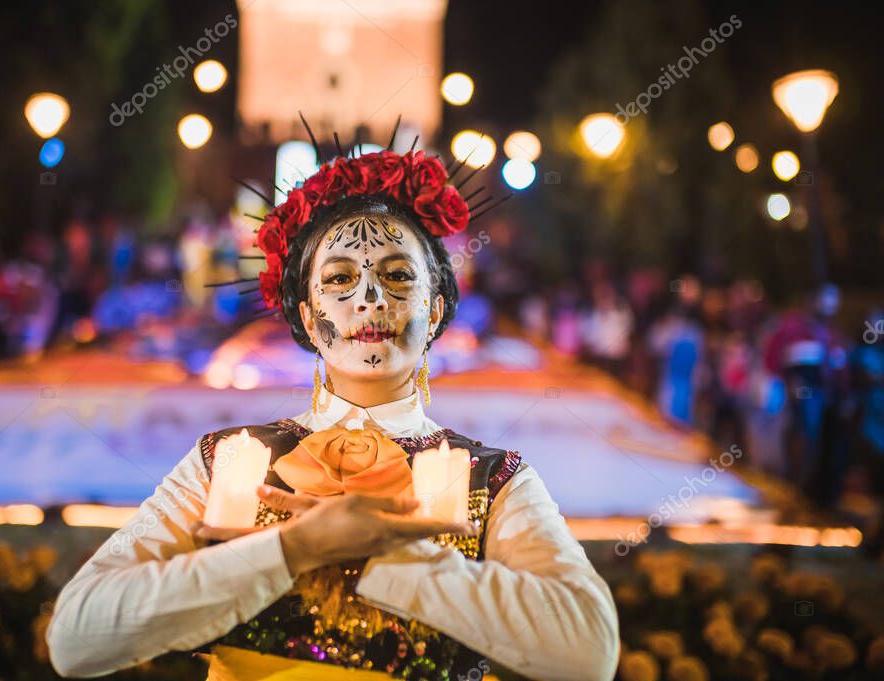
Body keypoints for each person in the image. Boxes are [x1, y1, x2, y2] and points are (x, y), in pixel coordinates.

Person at [46, 143, 619, 681]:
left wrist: (387, 555)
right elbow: (76, 638)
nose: (369, 298)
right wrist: (293, 549)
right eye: (341, 278)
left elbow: (588, 650)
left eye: (397, 276)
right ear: (305, 313)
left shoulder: (492, 480)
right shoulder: (228, 461)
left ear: (436, 308)